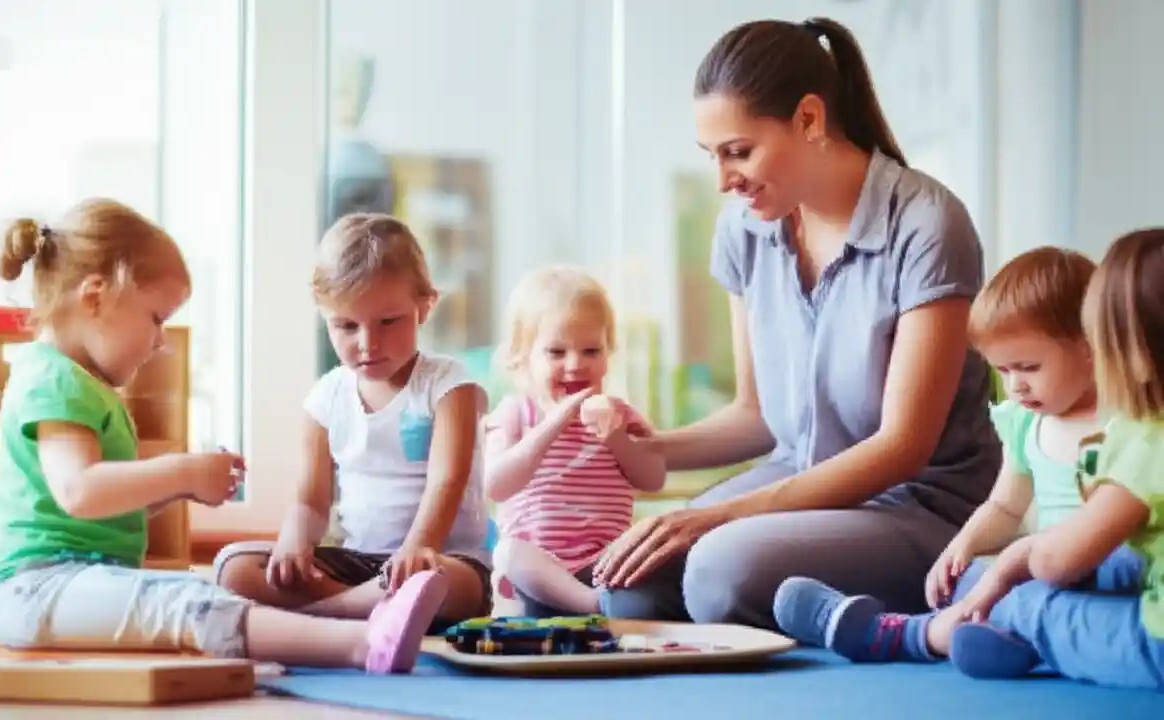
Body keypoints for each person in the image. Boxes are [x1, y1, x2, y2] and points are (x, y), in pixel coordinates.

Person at [594, 17, 1000, 629]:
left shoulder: (926, 224)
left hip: (920, 504)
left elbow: (901, 447)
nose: (724, 179)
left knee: (717, 574)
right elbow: (756, 417)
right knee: (629, 588)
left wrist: (721, 517)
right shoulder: (745, 228)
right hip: (798, 481)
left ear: (809, 119)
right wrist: (635, 446)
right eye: (712, 156)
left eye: (738, 151)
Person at [0, 199, 446, 673]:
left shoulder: (75, 381)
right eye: (156, 318)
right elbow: (79, 492)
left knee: (192, 597)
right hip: (35, 588)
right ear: (96, 296)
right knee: (190, 601)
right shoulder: (53, 379)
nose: (160, 341)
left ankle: (353, 633)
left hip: (64, 582)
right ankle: (363, 644)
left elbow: (101, 507)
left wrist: (184, 486)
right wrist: (182, 470)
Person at [782, 228, 1164, 691]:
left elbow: (1063, 559)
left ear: (1106, 351)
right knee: (986, 580)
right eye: (1003, 370)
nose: (1016, 384)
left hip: (1125, 614)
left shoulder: (1144, 436)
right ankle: (1002, 638)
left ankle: (913, 635)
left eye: (1027, 367)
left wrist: (1010, 566)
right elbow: (1007, 507)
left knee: (1019, 598)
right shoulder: (1034, 426)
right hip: (1105, 574)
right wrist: (968, 551)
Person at [215, 212, 492, 629]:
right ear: (324, 317)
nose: (368, 343)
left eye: (388, 322)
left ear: (425, 306)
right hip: (362, 565)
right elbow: (311, 502)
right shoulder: (325, 399)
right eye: (346, 325)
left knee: (430, 580)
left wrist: (417, 549)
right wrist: (295, 542)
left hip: (443, 562)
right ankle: (371, 612)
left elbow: (447, 481)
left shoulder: (449, 384)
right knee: (232, 567)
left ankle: (329, 617)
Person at [484, 266, 665, 616]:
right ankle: (591, 606)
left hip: (603, 565)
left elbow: (653, 479)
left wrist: (617, 439)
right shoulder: (515, 413)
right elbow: (495, 486)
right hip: (536, 568)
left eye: (591, 351)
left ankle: (599, 602)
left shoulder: (620, 415)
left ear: (608, 355)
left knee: (651, 562)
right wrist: (552, 424)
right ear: (523, 358)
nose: (575, 365)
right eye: (556, 352)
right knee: (507, 553)